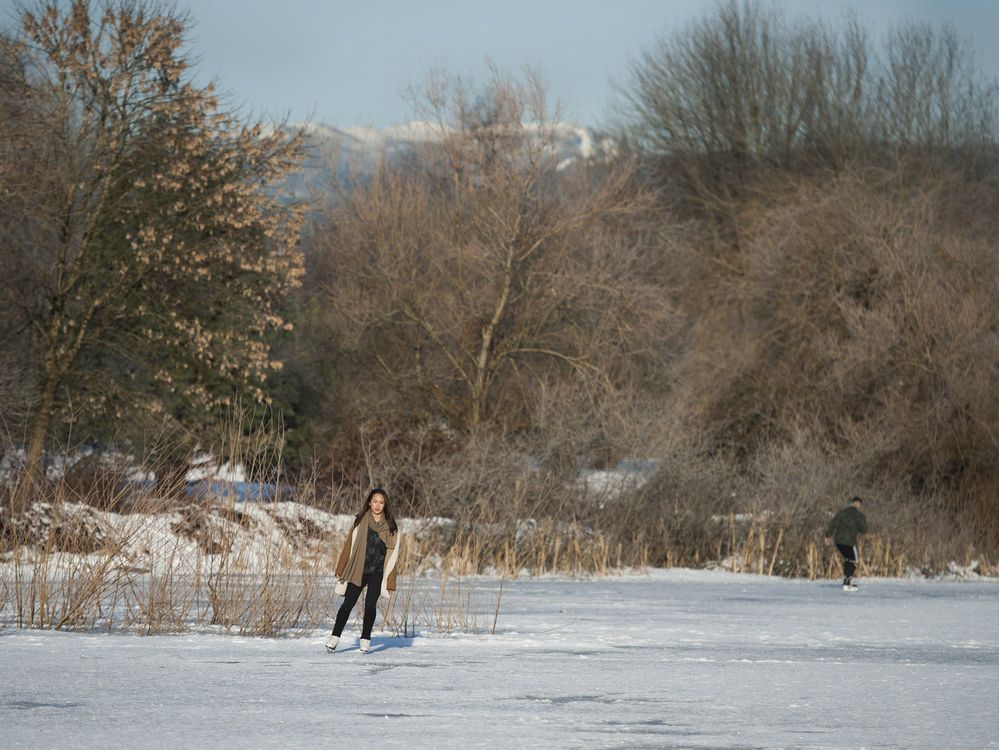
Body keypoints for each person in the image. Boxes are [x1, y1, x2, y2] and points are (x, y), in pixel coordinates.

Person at [326, 488, 401, 653]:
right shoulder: (360, 522)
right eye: (375, 501)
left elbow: (393, 555)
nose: (377, 505)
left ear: (385, 505)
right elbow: (348, 546)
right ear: (369, 502)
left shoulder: (391, 527)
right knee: (348, 604)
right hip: (358, 569)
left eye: (381, 502)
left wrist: (390, 580)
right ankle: (334, 637)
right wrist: (341, 567)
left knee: (370, 606)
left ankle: (365, 639)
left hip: (377, 572)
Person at [824, 496, 868, 592]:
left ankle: (847, 580)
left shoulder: (842, 513)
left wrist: (828, 536)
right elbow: (864, 530)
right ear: (859, 504)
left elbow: (833, 523)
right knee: (853, 560)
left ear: (851, 503)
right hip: (849, 542)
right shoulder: (858, 515)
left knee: (848, 559)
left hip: (838, 541)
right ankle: (847, 581)